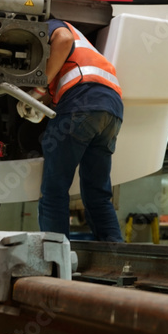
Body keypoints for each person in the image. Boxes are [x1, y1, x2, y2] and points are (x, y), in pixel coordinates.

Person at [21, 19, 124, 242]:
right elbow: (59, 89)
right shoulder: (85, 50)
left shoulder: (54, 24)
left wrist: (37, 88)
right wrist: (40, 100)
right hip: (111, 111)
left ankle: (55, 261)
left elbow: (64, 39)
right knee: (98, 195)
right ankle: (115, 257)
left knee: (54, 191)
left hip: (81, 104)